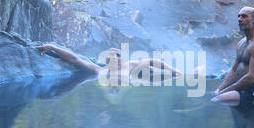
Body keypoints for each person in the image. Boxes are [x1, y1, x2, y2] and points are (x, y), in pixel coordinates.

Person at [212, 6, 254, 110]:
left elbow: (252, 77)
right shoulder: (241, 43)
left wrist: (224, 92)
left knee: (216, 100)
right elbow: (233, 71)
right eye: (239, 16)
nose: (240, 19)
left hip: (253, 92)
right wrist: (220, 89)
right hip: (238, 89)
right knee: (212, 94)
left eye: (244, 16)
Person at [34, 42, 184, 84]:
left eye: (117, 56)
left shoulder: (130, 65)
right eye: (111, 56)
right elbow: (75, 59)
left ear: (122, 58)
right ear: (106, 60)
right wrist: (53, 47)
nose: (114, 59)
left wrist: (175, 72)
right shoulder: (100, 70)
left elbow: (153, 60)